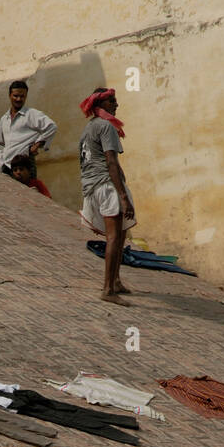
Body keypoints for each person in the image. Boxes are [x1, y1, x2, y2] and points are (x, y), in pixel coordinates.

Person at [78, 86, 136, 302]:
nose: (116, 104)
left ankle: (116, 281)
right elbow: (111, 161)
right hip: (107, 186)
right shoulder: (106, 127)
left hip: (94, 186)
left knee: (119, 235)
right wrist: (122, 196)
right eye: (111, 101)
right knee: (114, 237)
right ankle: (108, 290)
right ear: (100, 104)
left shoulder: (89, 127)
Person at [0, 80, 57, 174]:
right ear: (10, 95)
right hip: (6, 167)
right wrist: (1, 158)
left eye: (22, 96)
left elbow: (52, 127)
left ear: (26, 96)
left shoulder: (31, 114)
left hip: (24, 167)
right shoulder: (4, 119)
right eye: (15, 96)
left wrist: (38, 144)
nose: (19, 99)